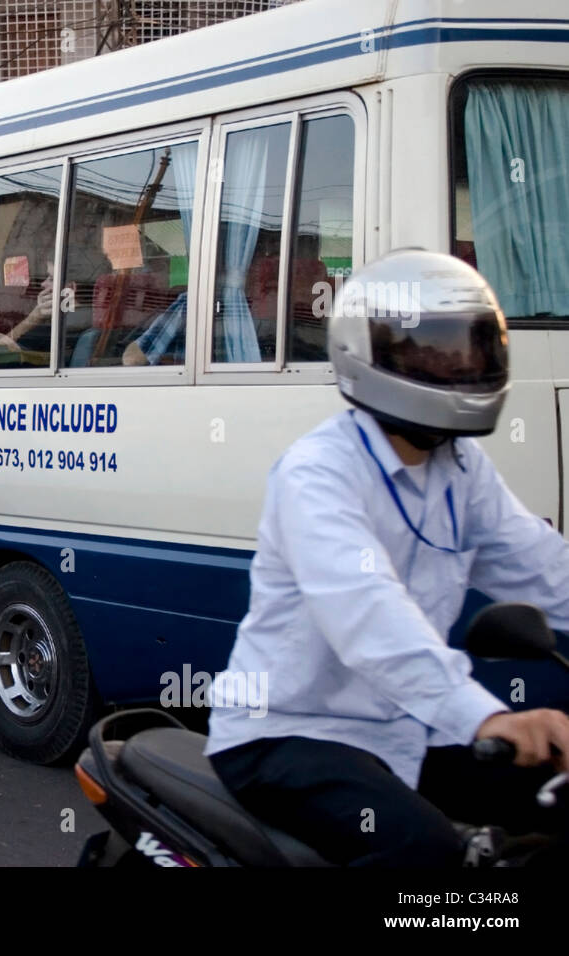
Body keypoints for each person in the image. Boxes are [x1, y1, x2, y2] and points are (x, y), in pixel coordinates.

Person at [205, 249, 569, 867]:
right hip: (289, 732)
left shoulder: (461, 467)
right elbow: (369, 617)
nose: (457, 365)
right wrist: (484, 717)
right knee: (423, 852)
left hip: (406, 726)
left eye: (470, 348)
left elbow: (542, 564)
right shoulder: (318, 474)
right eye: (432, 350)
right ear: (370, 354)